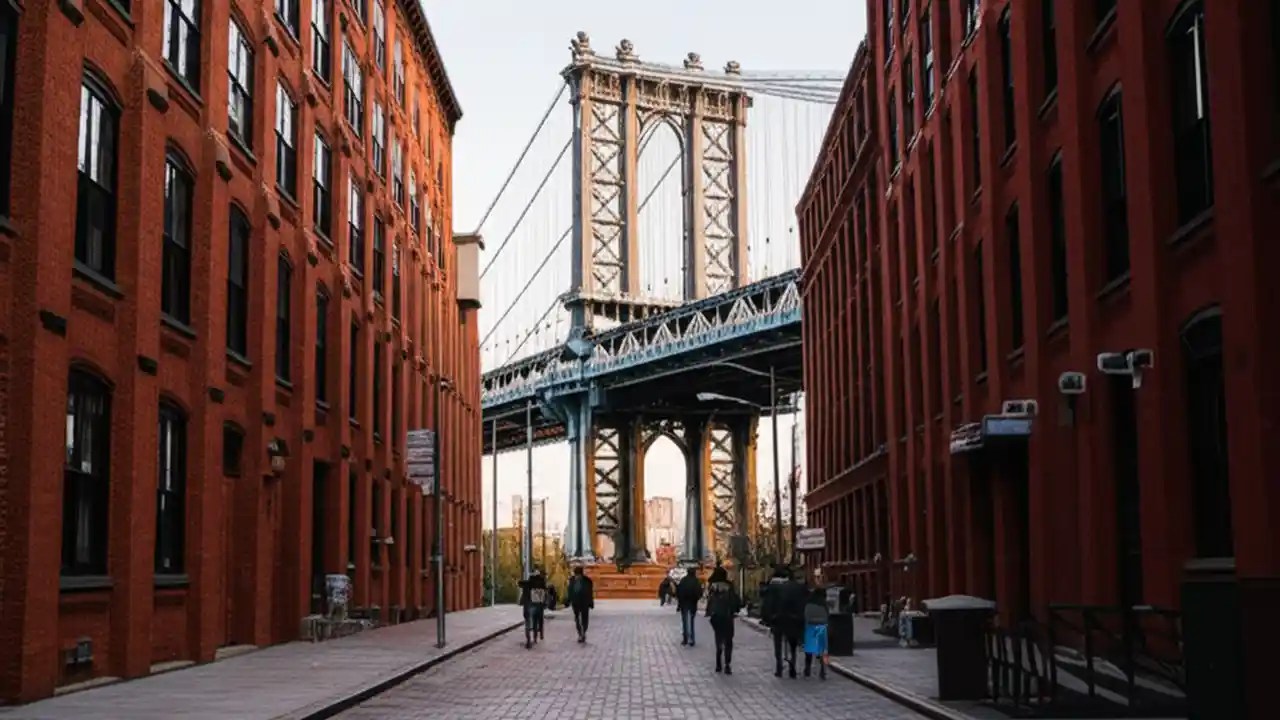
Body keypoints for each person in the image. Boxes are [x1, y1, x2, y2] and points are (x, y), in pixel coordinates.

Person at [760, 564, 807, 677]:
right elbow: (803, 603)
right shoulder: (797, 587)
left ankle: (779, 666)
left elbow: (768, 604)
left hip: (778, 618)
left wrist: (767, 618)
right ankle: (792, 666)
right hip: (794, 619)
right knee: (792, 644)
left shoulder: (773, 586)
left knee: (778, 643)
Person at [704, 565, 742, 674]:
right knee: (728, 640)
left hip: (716, 616)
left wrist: (709, 612)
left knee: (718, 638)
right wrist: (736, 610)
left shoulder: (712, 587)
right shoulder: (729, 586)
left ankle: (718, 664)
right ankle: (727, 664)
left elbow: (710, 602)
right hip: (727, 616)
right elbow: (735, 601)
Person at [517, 569, 548, 649]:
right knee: (537, 621)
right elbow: (545, 594)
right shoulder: (542, 583)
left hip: (529, 606)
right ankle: (536, 636)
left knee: (528, 623)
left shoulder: (528, 583)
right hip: (538, 606)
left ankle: (528, 640)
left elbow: (520, 583)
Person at [803, 587, 829, 679]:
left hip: (810, 626)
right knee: (822, 650)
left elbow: (805, 616)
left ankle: (807, 669)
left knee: (809, 650)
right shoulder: (823, 604)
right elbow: (827, 615)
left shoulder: (808, 603)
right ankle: (823, 670)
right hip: (821, 626)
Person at [566, 565, 595, 643]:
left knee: (584, 618)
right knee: (577, 618)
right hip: (576, 602)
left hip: (584, 602)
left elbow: (590, 592)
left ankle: (583, 632)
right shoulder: (572, 580)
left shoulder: (587, 581)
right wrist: (568, 600)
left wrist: (591, 602)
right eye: (576, 575)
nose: (577, 576)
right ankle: (580, 633)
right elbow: (570, 591)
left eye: (578, 575)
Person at [676, 568, 703, 646]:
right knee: (691, 621)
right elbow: (699, 592)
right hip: (692, 603)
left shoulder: (683, 581)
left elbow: (679, 591)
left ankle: (685, 638)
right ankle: (692, 639)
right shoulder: (696, 581)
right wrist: (696, 599)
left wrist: (680, 601)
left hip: (684, 603)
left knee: (685, 621)